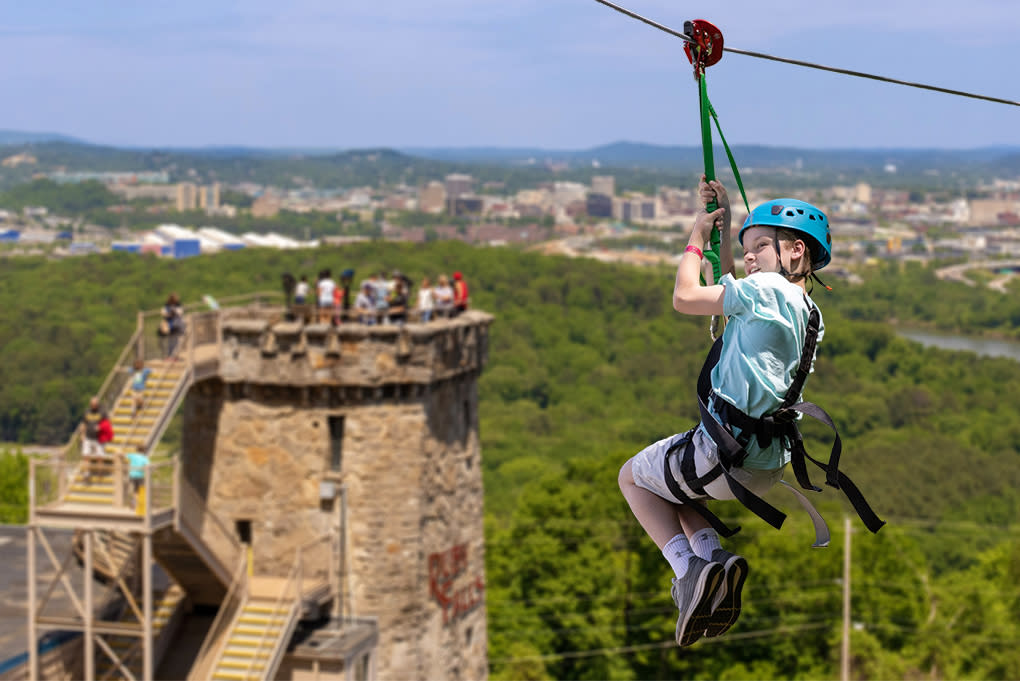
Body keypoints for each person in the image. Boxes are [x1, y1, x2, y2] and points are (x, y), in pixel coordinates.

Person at [618, 177, 838, 648]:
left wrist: (697, 239)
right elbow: (739, 296)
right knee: (675, 494)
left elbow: (685, 297)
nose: (751, 258)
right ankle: (714, 561)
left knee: (632, 478)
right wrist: (731, 219)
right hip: (765, 466)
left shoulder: (762, 291)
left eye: (761, 246)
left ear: (796, 251)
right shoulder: (808, 313)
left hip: (722, 457)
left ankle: (687, 571)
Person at [159, 293, 184, 358]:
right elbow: (163, 313)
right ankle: (170, 355)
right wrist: (169, 314)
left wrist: (174, 311)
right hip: (169, 325)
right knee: (170, 341)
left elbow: (180, 312)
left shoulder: (178, 306)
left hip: (175, 325)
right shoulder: (166, 306)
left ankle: (173, 355)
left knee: (175, 341)